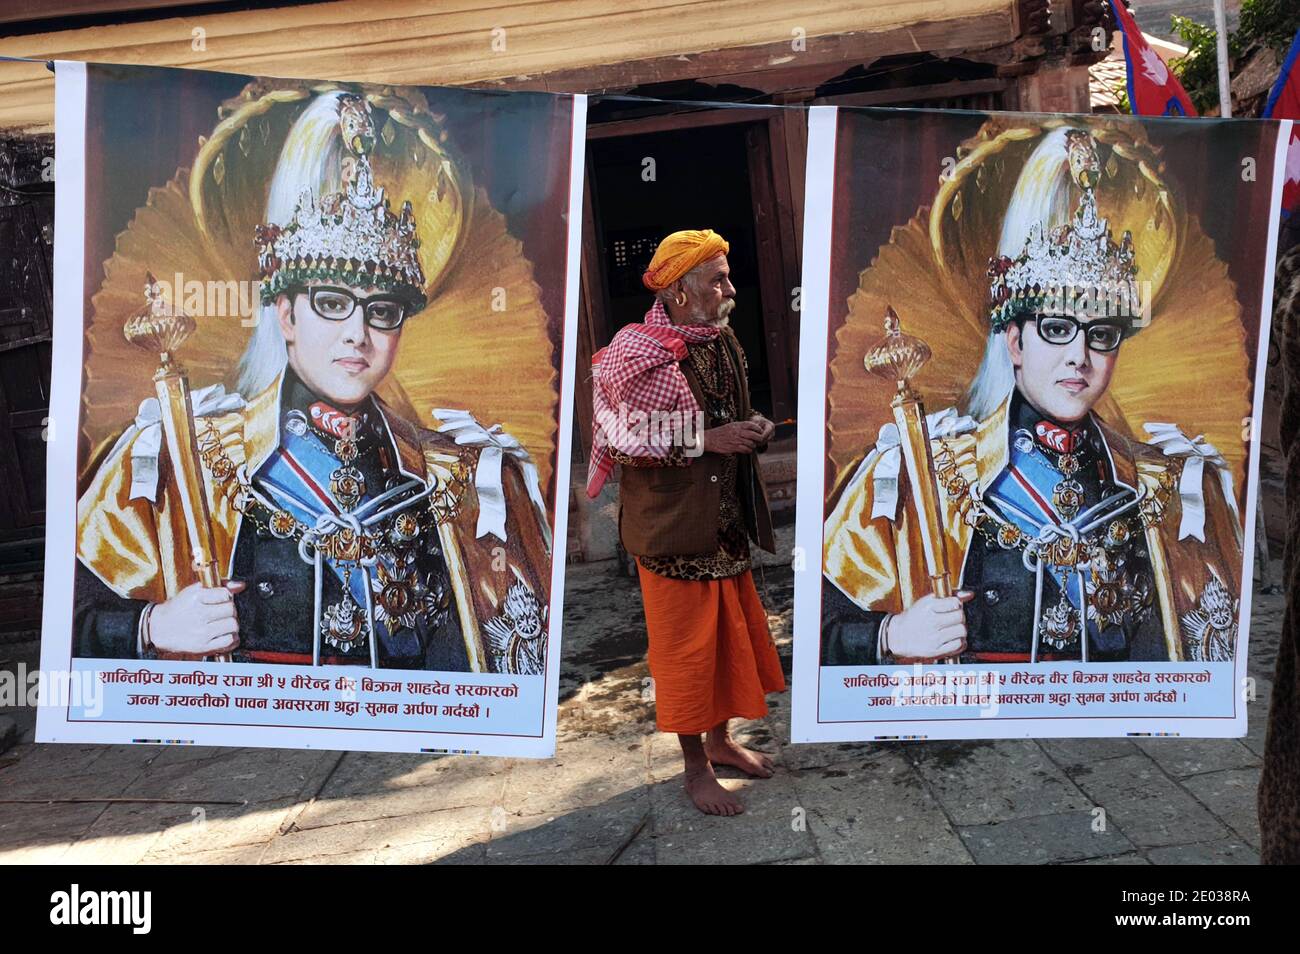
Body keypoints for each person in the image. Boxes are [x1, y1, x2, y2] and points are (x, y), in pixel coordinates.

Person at [74, 91, 553, 673]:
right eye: (331, 303)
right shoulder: (175, 462)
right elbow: (70, 631)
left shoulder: (464, 476)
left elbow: (509, 656)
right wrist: (152, 626)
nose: (358, 334)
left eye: (381, 311)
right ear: (286, 316)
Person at [822, 129, 1244, 666]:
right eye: (1057, 329)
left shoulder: (1174, 489)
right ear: (1015, 341)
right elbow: (821, 632)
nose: (1080, 358)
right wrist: (890, 636)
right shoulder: (914, 478)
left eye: (1101, 335)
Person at [588, 228, 785, 816]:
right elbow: (622, 438)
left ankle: (721, 742)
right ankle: (694, 768)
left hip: (723, 524)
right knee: (685, 654)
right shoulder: (636, 352)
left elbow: (729, 414)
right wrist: (711, 438)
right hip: (672, 530)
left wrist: (756, 427)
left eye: (727, 275)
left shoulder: (721, 341)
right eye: (716, 279)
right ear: (678, 292)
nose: (730, 288)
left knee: (726, 642)